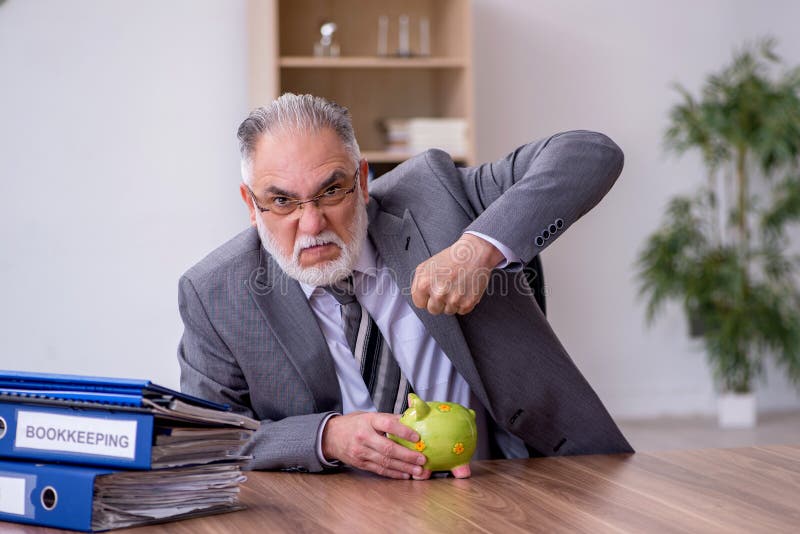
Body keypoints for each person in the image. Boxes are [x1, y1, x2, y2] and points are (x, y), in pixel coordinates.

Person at [178, 93, 633, 480]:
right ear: (251, 206)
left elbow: (590, 153)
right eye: (281, 201)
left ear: (361, 179)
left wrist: (478, 248)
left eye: (332, 190)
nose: (312, 223)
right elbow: (206, 439)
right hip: (341, 509)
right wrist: (326, 437)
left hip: (513, 480)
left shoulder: (436, 196)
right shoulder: (216, 293)